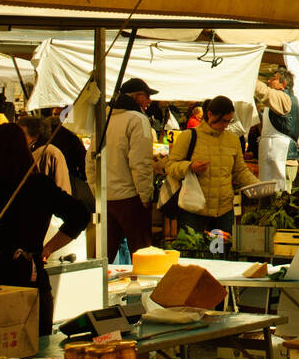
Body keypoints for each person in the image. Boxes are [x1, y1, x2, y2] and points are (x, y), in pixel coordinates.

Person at [0, 123, 90, 335]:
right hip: (34, 277)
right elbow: (81, 215)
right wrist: (48, 249)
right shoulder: (40, 186)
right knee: (38, 350)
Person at [164, 95, 256, 238]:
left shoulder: (232, 140)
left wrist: (258, 186)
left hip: (223, 213)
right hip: (193, 211)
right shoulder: (188, 136)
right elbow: (170, 166)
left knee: (218, 253)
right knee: (193, 253)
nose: (226, 125)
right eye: (223, 121)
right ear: (210, 114)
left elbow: (240, 171)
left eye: (229, 121)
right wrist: (190, 166)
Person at [87, 78, 156, 262]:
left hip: (106, 197)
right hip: (130, 197)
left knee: (102, 257)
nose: (149, 101)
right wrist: (145, 195)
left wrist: (96, 191)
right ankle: (142, 290)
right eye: (147, 96)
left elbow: (90, 161)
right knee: (142, 256)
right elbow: (140, 162)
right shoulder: (137, 119)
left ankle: (96, 288)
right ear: (135, 96)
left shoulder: (104, 118)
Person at [256, 69, 299, 189]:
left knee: (281, 197)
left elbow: (264, 93)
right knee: (267, 196)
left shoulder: (284, 98)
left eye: (273, 79)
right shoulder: (274, 103)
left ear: (283, 84)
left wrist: (251, 77)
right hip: (271, 157)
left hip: (284, 159)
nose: (269, 81)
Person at [18, 116, 72, 196]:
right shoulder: (22, 153)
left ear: (35, 135)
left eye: (21, 134)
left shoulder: (51, 152)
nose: (17, 137)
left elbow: (63, 187)